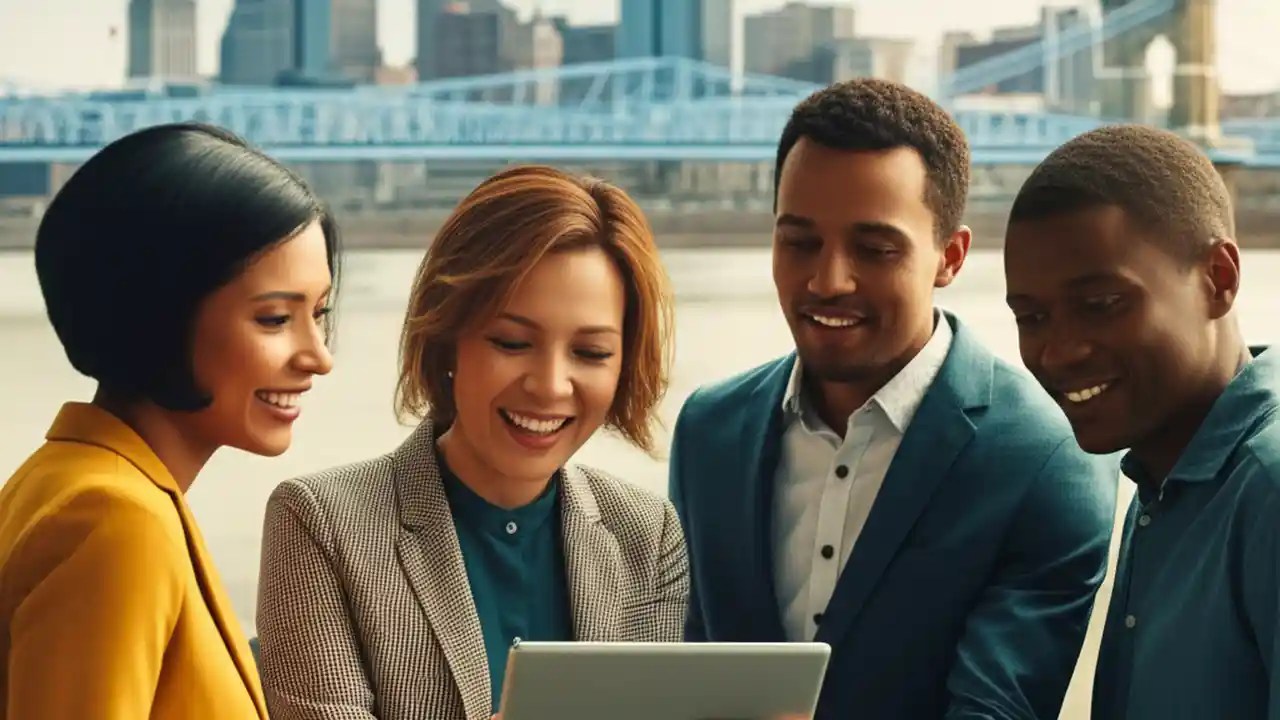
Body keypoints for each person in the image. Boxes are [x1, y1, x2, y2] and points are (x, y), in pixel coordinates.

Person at [668, 78, 1120, 720]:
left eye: (874, 250)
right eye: (799, 243)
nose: (828, 280)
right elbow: (679, 675)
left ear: (950, 257)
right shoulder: (709, 431)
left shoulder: (1047, 458)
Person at [255, 164, 688, 720]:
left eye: (591, 353)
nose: (550, 386)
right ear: (446, 337)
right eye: (512, 342)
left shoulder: (647, 535)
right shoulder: (321, 525)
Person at [0, 122, 340, 718]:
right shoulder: (115, 521)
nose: (319, 357)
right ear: (160, 314)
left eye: (319, 313)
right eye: (274, 319)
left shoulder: (60, 483)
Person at [1003, 124, 1280, 719]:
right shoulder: (1164, 479)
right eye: (1031, 317)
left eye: (1100, 305)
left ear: (1219, 279)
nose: (1058, 352)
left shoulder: (1268, 492)